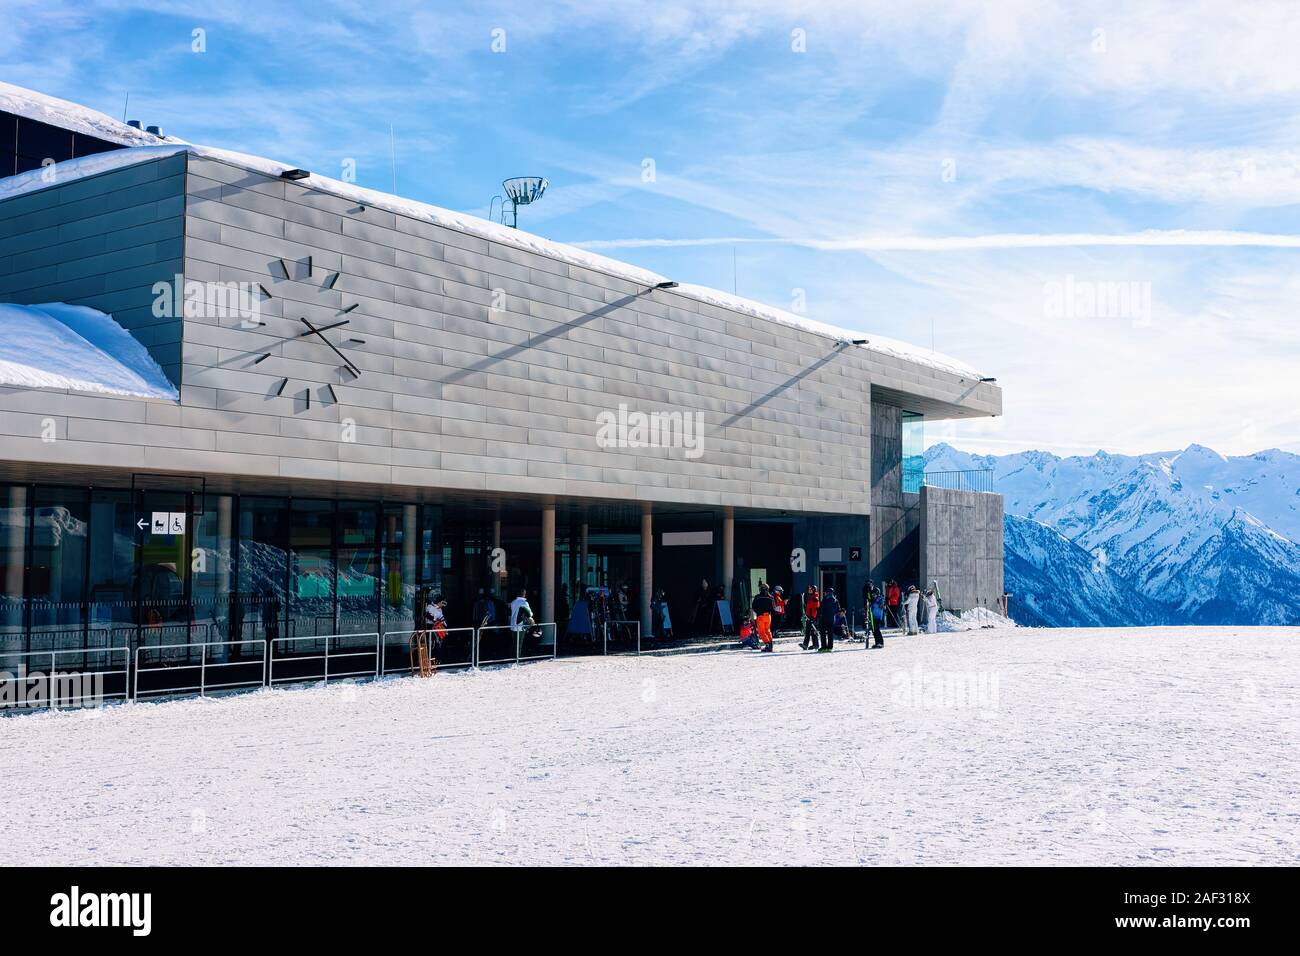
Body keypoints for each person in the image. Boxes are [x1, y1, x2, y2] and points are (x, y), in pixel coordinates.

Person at [751, 585, 775, 652]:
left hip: (760, 616)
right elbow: (773, 607)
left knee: (761, 632)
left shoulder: (757, 597)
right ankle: (771, 644)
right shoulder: (771, 597)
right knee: (768, 630)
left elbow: (753, 606)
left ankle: (767, 644)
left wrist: (758, 612)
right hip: (768, 616)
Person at [818, 586, 840, 652]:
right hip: (831, 619)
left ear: (828, 593)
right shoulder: (835, 600)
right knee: (830, 633)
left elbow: (820, 609)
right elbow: (838, 610)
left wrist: (818, 616)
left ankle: (824, 647)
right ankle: (830, 647)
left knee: (823, 633)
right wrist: (832, 613)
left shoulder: (825, 600)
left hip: (824, 619)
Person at [801, 584, 821, 650]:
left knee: (812, 631)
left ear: (813, 590)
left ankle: (814, 645)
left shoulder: (815, 598)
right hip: (809, 617)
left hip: (812, 617)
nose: (809, 590)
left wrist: (812, 618)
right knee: (809, 631)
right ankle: (809, 645)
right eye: (809, 589)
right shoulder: (812, 597)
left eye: (810, 589)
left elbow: (815, 609)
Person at [865, 580, 884, 648]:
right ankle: (877, 643)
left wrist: (874, 605)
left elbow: (881, 606)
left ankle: (881, 643)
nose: (873, 595)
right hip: (873, 617)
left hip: (878, 617)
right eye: (872, 594)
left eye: (874, 594)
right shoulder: (874, 600)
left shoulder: (880, 599)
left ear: (877, 593)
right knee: (874, 631)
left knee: (877, 630)